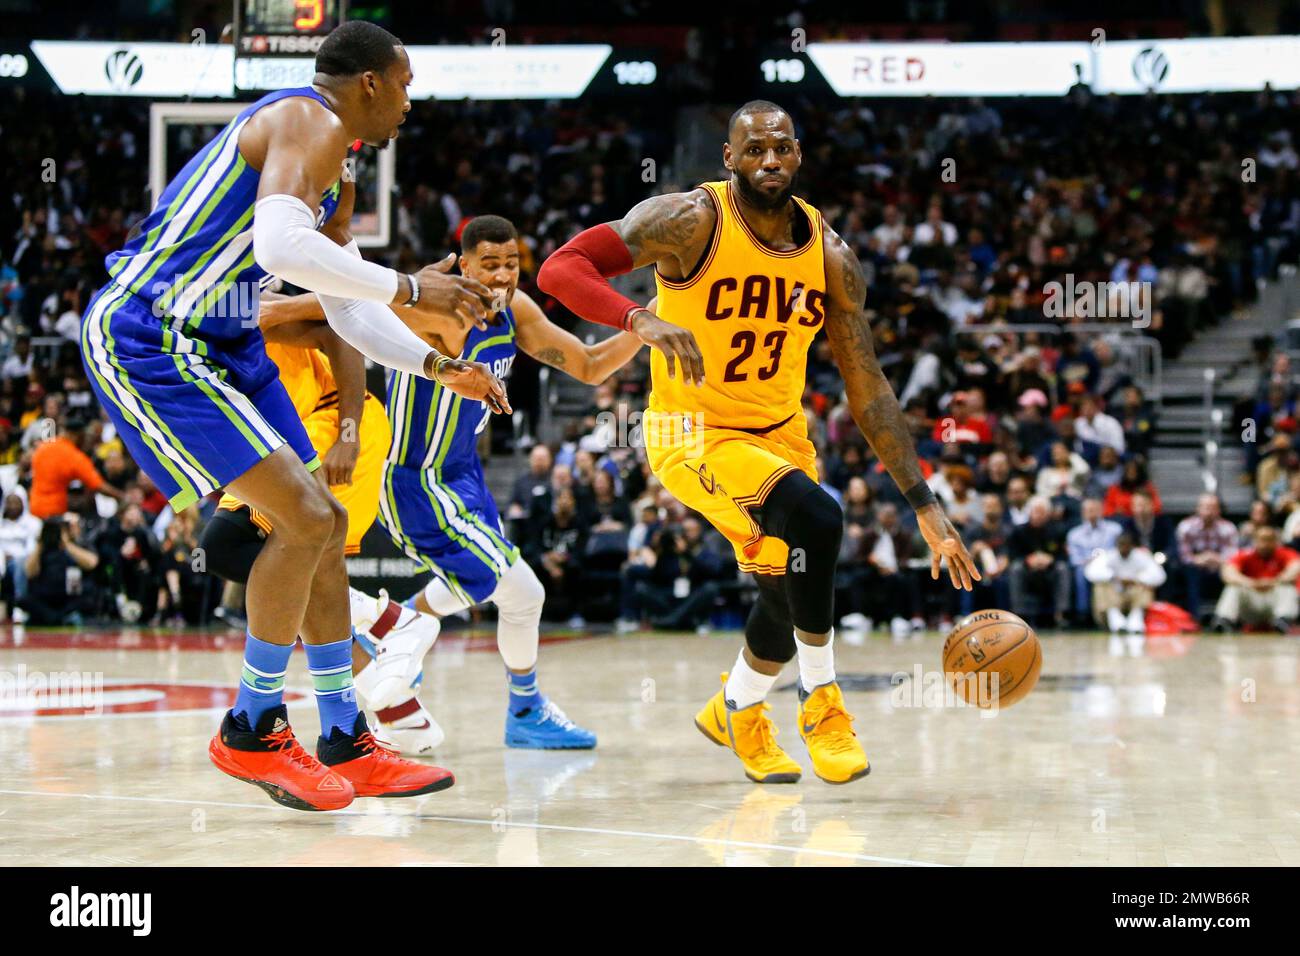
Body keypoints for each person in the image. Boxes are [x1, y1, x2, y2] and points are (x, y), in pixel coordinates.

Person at [78, 21, 510, 809]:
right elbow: (280, 250)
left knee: (322, 533)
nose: (412, 102)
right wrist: (412, 289)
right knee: (308, 520)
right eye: (407, 84)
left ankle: (345, 734)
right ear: (371, 82)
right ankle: (252, 726)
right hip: (154, 334)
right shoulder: (309, 118)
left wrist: (438, 365)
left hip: (227, 342)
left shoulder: (336, 172)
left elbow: (341, 304)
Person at [539, 98, 977, 785]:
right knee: (819, 516)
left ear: (798, 155)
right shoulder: (689, 220)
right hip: (693, 432)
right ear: (730, 158)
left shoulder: (830, 255)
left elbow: (866, 386)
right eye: (754, 150)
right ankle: (822, 703)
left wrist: (924, 503)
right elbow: (561, 269)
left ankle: (735, 711)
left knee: (786, 588)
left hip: (778, 436)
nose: (769, 161)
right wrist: (638, 320)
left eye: (781, 149)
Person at [272, 214, 643, 749]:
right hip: (413, 482)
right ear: (464, 266)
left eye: (511, 263)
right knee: (524, 593)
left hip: (463, 477)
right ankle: (525, 710)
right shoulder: (431, 308)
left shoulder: (514, 312)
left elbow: (587, 365)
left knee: (476, 585)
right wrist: (267, 311)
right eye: (488, 264)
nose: (501, 275)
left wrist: (643, 324)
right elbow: (342, 306)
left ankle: (392, 631)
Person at [195, 288, 444, 750]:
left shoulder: (234, 297)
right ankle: (401, 713)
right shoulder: (174, 337)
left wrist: (347, 433)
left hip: (337, 424)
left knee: (230, 548)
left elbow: (339, 328)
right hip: (286, 439)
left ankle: (394, 625)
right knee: (274, 574)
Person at [1212, 526, 1300, 633]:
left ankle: (1284, 621)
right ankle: (1224, 620)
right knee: (1233, 587)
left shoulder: (1285, 553)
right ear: (1255, 541)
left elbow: (1296, 569)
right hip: (1251, 602)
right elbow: (1228, 573)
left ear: (1276, 541)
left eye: (1269, 540)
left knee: (1288, 587)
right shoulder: (1244, 554)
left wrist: (1274, 581)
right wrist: (1251, 583)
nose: (1265, 544)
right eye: (1262, 540)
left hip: (1274, 603)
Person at [1084, 532, 1167, 634]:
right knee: (1101, 586)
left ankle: (1136, 619)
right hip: (1114, 595)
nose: (1124, 548)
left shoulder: (1141, 556)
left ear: (1132, 545)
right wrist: (1114, 578)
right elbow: (1090, 573)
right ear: (1116, 545)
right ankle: (1115, 620)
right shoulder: (1109, 556)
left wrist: (1136, 579)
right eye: (1121, 545)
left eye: (1126, 545)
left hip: (1135, 594)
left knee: (1146, 587)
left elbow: (1160, 576)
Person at [1008, 496, 1071, 629]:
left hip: (1049, 570)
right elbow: (1012, 555)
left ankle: (1061, 614)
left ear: (1048, 514)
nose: (1038, 515)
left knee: (1062, 568)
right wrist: (1028, 559)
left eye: (1042, 512)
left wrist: (1051, 559)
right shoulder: (1018, 531)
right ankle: (1020, 614)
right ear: (1030, 512)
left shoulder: (1057, 530)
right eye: (1036, 511)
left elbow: (1063, 555)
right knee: (1015, 568)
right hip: (1027, 570)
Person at [1176, 493, 1238, 621]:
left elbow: (1233, 556)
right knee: (1190, 572)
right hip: (1195, 567)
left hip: (1220, 567)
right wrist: (1199, 560)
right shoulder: (1186, 526)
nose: (1209, 511)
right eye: (1205, 507)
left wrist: (1215, 559)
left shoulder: (1228, 528)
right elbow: (1183, 556)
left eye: (1213, 507)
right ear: (1197, 508)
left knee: (1232, 573)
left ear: (1219, 510)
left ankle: (1225, 618)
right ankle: (1195, 618)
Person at [1066, 497, 1122, 623]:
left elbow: (1119, 551)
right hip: (1086, 565)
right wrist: (1089, 561)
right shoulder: (1074, 534)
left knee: (1112, 571)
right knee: (1080, 572)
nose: (1092, 513)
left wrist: (1103, 560)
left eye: (1095, 509)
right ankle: (1083, 613)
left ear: (1101, 510)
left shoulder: (1115, 529)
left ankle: (1113, 611)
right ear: (1083, 513)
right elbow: (1074, 559)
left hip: (1109, 564)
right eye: (1088, 510)